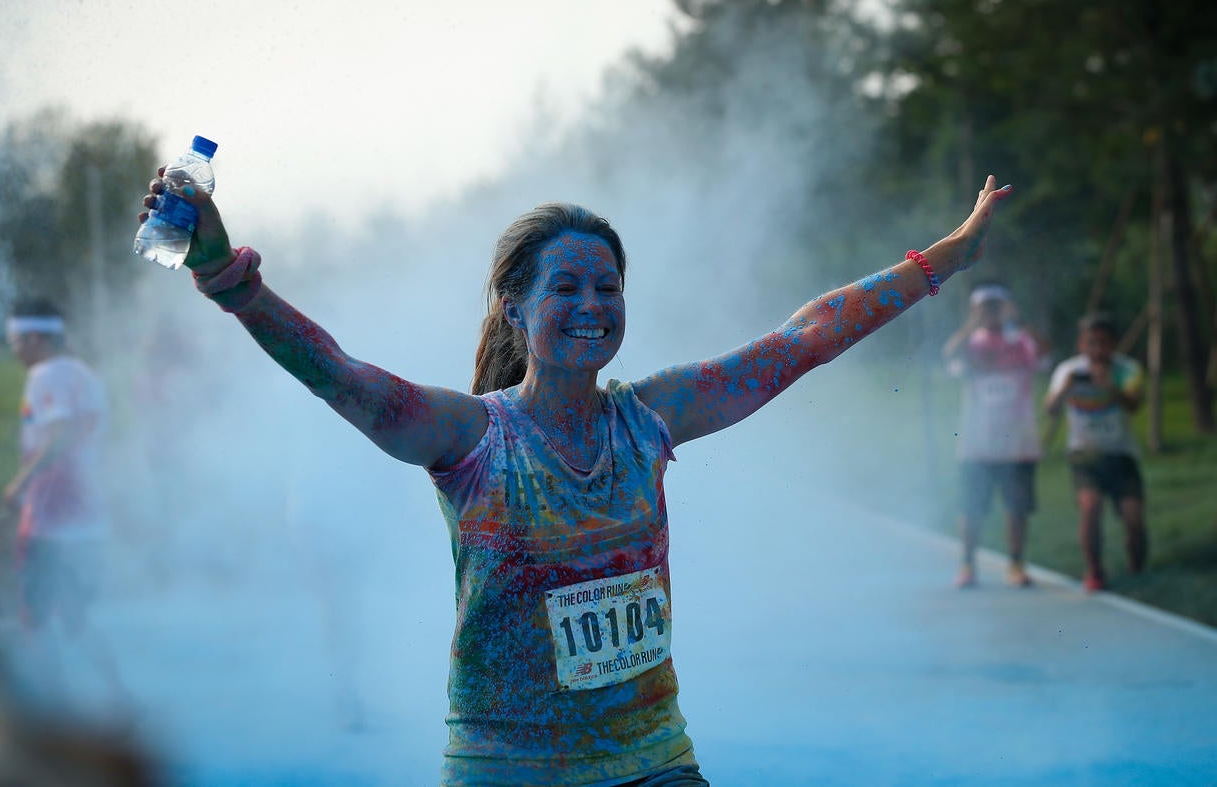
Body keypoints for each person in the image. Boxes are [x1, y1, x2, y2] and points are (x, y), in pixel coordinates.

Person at [140, 171, 1013, 786]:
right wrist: (225, 275)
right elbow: (340, 373)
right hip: (505, 769)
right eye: (568, 286)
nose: (594, 304)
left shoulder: (651, 417)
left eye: (609, 286)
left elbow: (801, 339)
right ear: (515, 308)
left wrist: (946, 259)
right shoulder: (471, 436)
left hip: (654, 762)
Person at [0, 299, 130, 712]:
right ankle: (119, 701)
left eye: (16, 341)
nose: (14, 350)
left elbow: (62, 432)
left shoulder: (45, 375)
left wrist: (20, 484)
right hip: (87, 520)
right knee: (76, 620)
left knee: (34, 618)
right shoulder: (84, 375)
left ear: (35, 337)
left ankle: (52, 712)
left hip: (49, 521)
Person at [942, 284, 1049, 589]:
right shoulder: (970, 344)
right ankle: (967, 565)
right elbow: (949, 355)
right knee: (971, 508)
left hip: (1018, 444)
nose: (991, 313)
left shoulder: (1022, 342)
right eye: (984, 308)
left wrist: (1020, 321)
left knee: (1017, 508)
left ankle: (1015, 563)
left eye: (996, 307)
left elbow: (1045, 353)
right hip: (976, 445)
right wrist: (972, 325)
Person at [1045, 313, 1146, 592]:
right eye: (1092, 343)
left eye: (1104, 343)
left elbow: (1135, 405)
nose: (1098, 350)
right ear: (1081, 344)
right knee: (1091, 508)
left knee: (1133, 518)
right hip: (1084, 456)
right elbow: (1050, 409)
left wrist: (1110, 386)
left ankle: (1138, 568)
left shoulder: (1127, 369)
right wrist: (1066, 389)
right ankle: (1095, 570)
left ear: (1114, 344)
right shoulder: (1068, 371)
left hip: (1121, 453)